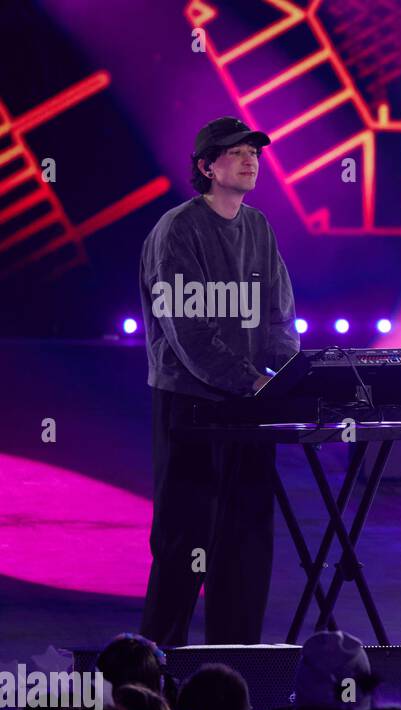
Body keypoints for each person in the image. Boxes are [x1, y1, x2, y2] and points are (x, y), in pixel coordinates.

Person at [138, 116, 300, 646]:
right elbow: (188, 331)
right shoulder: (178, 230)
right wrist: (251, 381)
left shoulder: (259, 226)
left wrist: (284, 376)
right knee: (186, 542)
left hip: (251, 405)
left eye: (254, 151)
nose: (250, 159)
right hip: (191, 405)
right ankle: (157, 674)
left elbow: (279, 315)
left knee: (246, 541)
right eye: (236, 152)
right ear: (207, 167)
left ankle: (237, 671)